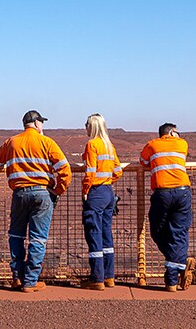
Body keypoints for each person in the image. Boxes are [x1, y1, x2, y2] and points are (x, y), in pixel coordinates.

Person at [0, 110, 71, 293]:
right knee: (38, 238)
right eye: (41, 122)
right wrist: (57, 191)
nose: (42, 125)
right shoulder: (47, 142)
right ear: (36, 124)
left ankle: (17, 277)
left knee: (16, 236)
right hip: (42, 195)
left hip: (19, 194)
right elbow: (65, 169)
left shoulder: (12, 142)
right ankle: (30, 281)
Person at [140, 122, 194, 291]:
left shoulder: (152, 145)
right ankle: (180, 263)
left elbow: (143, 162)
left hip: (162, 193)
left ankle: (172, 279)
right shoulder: (182, 143)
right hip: (183, 192)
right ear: (171, 133)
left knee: (157, 230)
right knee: (179, 232)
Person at [79, 113, 122, 290]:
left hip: (96, 192)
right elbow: (118, 170)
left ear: (92, 127)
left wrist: (85, 191)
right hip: (108, 192)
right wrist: (107, 182)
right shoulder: (109, 146)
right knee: (106, 234)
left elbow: (90, 172)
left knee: (94, 233)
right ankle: (109, 277)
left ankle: (97, 279)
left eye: (87, 124)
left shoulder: (92, 144)